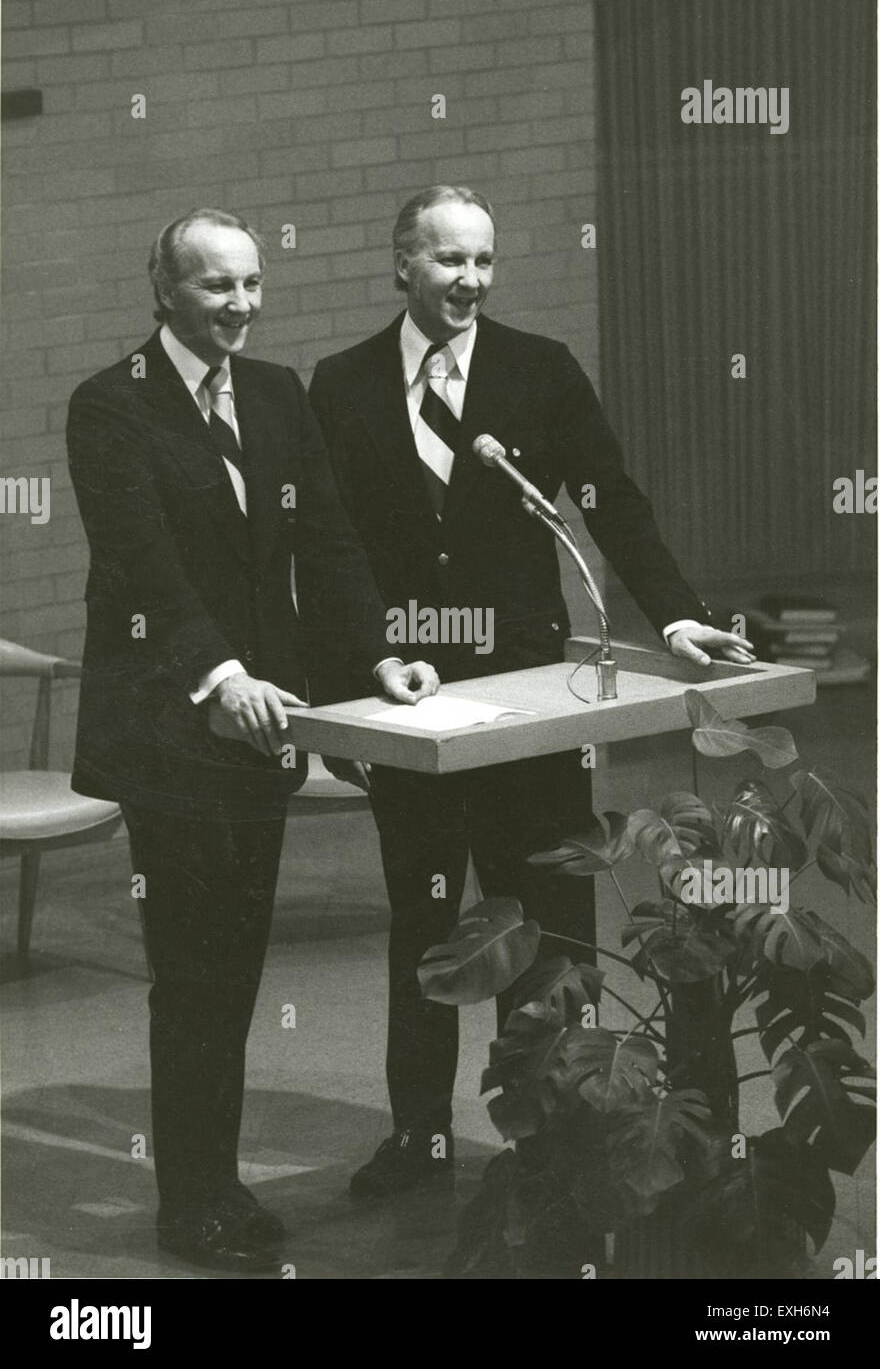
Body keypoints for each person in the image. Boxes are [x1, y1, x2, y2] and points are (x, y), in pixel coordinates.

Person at [308, 185, 754, 1199]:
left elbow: (611, 502)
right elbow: (324, 551)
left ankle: (554, 1141)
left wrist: (673, 613)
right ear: (400, 264)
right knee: (426, 932)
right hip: (407, 704)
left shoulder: (538, 371)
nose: (469, 281)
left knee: (549, 925)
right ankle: (418, 1138)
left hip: (531, 703)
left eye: (484, 262)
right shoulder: (336, 386)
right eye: (448, 260)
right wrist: (346, 690)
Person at [66, 207, 437, 1270]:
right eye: (217, 286)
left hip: (259, 732)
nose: (241, 304)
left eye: (251, 283)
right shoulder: (111, 407)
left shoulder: (275, 393)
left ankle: (218, 1181)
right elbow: (144, 564)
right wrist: (216, 674)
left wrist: (374, 657)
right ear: (165, 291)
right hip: (171, 731)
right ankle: (189, 1205)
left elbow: (325, 539)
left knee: (233, 969)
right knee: (192, 975)